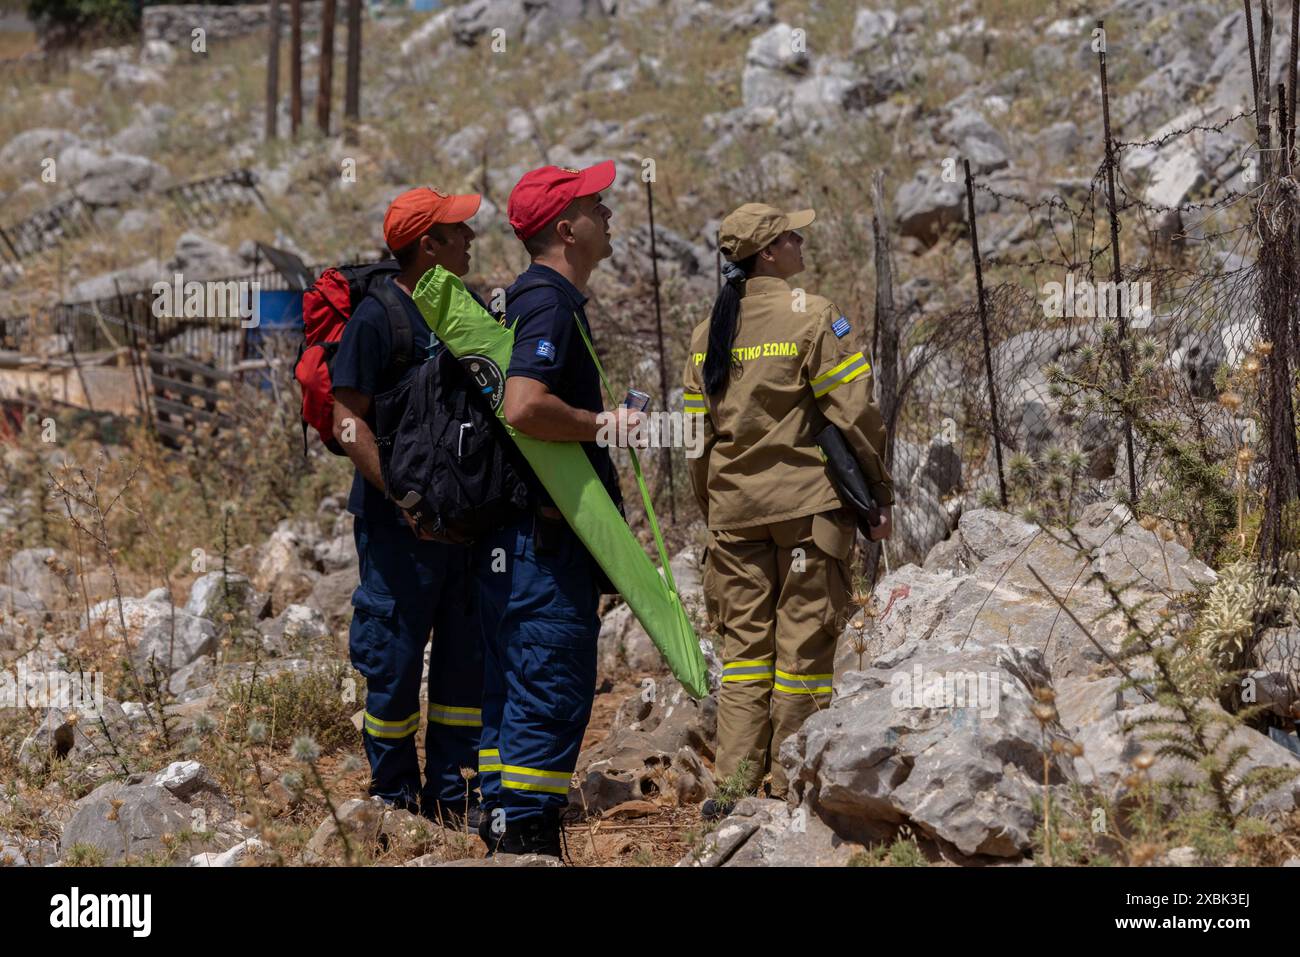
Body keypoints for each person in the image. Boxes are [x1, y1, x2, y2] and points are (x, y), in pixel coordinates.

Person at [682, 202, 894, 815]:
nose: (802, 242)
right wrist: (877, 496)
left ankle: (733, 789)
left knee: (744, 656)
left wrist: (716, 506)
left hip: (733, 514)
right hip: (807, 512)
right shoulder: (815, 315)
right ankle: (789, 788)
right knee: (804, 647)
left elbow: (696, 442)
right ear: (769, 253)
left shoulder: (706, 333)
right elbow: (855, 415)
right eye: (792, 236)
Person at [474, 161, 645, 856]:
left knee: (512, 690)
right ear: (566, 229)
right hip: (542, 548)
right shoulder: (547, 303)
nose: (609, 212)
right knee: (550, 686)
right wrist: (603, 425)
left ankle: (501, 826)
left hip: (512, 545)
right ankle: (527, 839)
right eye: (594, 204)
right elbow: (524, 406)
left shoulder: (528, 299)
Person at [331, 186, 488, 826]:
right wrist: (401, 498)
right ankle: (394, 796)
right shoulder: (378, 319)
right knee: (393, 663)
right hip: (398, 530)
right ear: (429, 244)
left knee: (464, 662)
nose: (471, 238)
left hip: (464, 527)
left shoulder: (467, 307)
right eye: (459, 230)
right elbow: (346, 420)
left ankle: (453, 794)